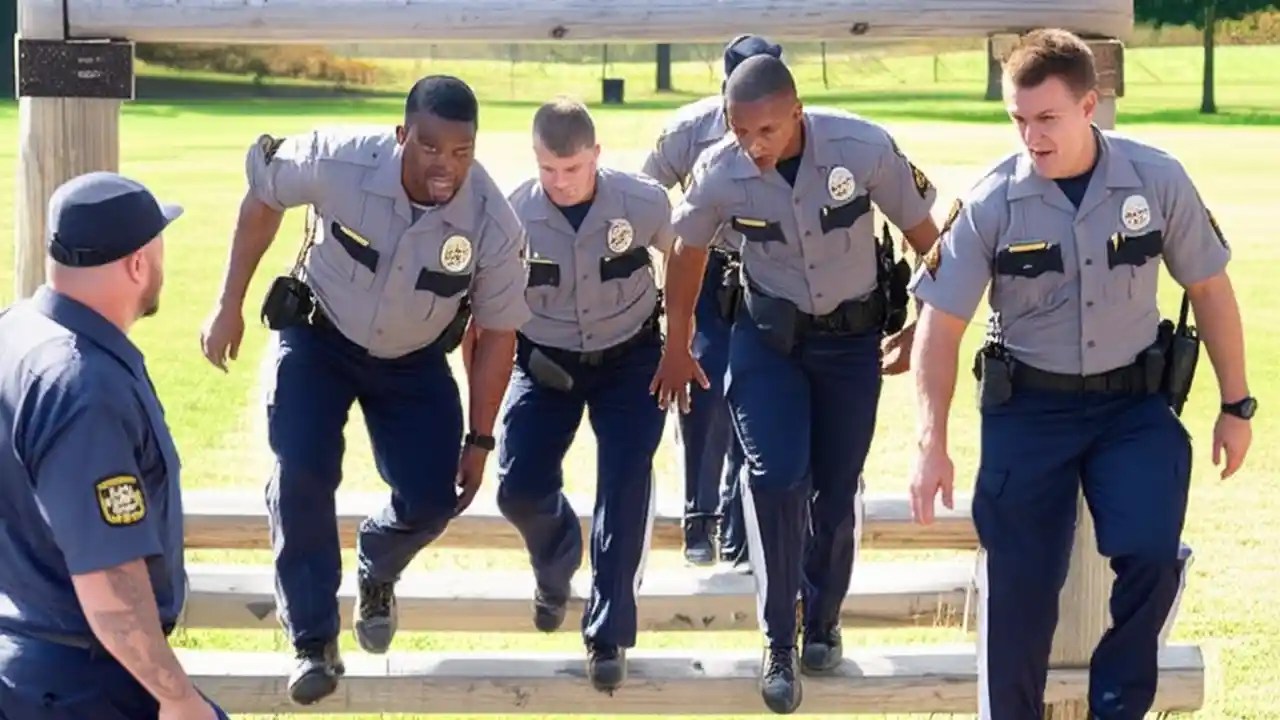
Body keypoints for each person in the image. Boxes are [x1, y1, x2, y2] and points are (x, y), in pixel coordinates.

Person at [907, 28, 1253, 719]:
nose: (1030, 137)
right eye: (1018, 119)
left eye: (1047, 119)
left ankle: (1118, 708)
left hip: (1131, 408)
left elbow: (1212, 289)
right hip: (1029, 412)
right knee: (1022, 590)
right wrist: (931, 440)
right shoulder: (991, 201)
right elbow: (938, 329)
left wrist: (1235, 405)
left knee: (1152, 554)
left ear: (1089, 105)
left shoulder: (1157, 180)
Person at [197, 75, 530, 705]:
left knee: (435, 499)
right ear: (403, 135)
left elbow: (499, 334)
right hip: (320, 339)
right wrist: (228, 304)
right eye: (431, 148)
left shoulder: (495, 224)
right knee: (300, 471)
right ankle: (312, 641)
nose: (446, 166)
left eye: (462, 152)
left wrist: (482, 438)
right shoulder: (337, 159)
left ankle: (377, 563)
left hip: (412, 362)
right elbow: (265, 192)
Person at [651, 55, 940, 714]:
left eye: (768, 132)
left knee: (835, 491)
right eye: (739, 128)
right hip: (766, 341)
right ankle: (778, 638)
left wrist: (923, 328)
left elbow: (927, 238)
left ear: (798, 112)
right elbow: (688, 252)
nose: (752, 146)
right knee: (775, 475)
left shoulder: (862, 147)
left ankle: (823, 615)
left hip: (849, 346)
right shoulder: (719, 170)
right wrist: (675, 346)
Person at [0, 172, 229, 719]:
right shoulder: (85, 387)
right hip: (83, 684)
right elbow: (108, 576)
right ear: (137, 263)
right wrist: (177, 698)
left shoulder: (14, 331)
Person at [498, 97, 672, 693]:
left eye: (572, 169)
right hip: (547, 361)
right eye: (549, 169)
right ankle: (556, 564)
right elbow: (487, 313)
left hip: (631, 357)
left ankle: (608, 633)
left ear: (596, 155)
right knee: (517, 487)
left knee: (623, 486)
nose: (560, 182)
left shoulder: (644, 200)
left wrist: (684, 345)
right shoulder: (510, 215)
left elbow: (689, 260)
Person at [641, 33, 783, 569]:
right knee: (701, 386)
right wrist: (675, 246)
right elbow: (642, 195)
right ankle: (699, 516)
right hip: (710, 274)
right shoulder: (689, 130)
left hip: (775, 276)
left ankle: (741, 519)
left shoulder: (800, 129)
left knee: (761, 395)